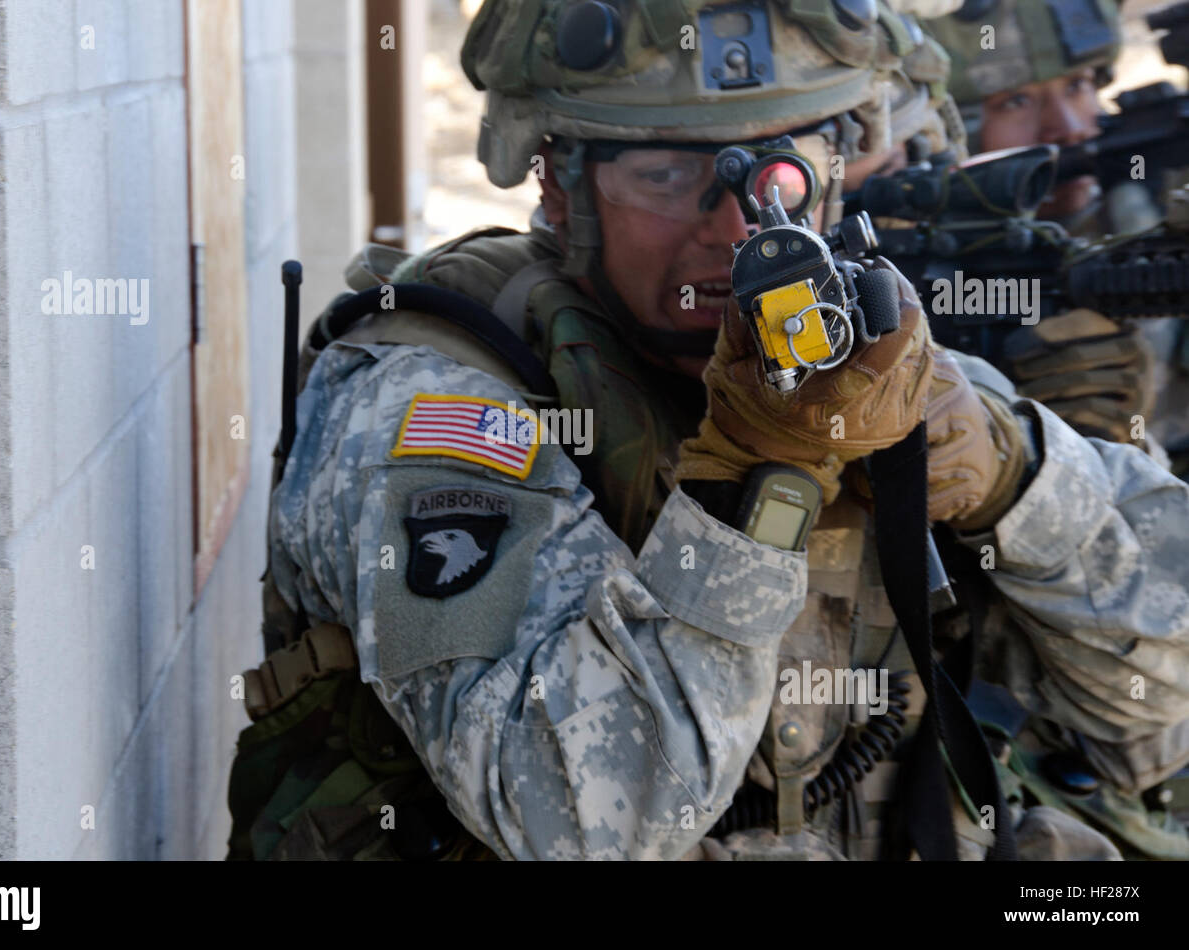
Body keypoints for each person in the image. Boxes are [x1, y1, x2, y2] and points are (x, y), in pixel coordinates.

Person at [228, 0, 1189, 861]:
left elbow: (1154, 729)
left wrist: (1019, 479)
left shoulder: (873, 362)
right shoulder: (440, 400)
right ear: (559, 188)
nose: (738, 232)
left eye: (787, 171)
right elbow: (579, 820)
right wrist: (757, 485)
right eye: (663, 175)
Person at [922, 0, 1189, 469]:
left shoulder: (1158, 202)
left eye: (1078, 85)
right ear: (953, 130)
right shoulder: (919, 271)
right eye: (1015, 101)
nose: (1064, 128)